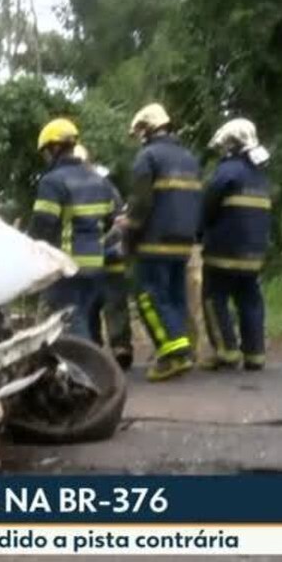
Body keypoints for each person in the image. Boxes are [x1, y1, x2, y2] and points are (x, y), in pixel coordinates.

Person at [121, 103, 203, 381]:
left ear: (147, 129)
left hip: (153, 241)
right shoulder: (189, 158)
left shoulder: (148, 156)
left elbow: (140, 203)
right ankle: (183, 349)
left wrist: (129, 231)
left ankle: (171, 355)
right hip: (184, 243)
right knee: (175, 298)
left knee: (148, 297)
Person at [28, 118, 115, 341]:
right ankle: (94, 360)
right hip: (96, 266)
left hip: (67, 266)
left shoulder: (52, 182)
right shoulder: (99, 181)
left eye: (45, 152)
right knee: (85, 320)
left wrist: (27, 247)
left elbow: (43, 225)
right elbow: (112, 220)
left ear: (54, 148)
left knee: (72, 328)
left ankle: (86, 363)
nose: (46, 158)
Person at [200, 118, 272, 372]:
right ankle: (255, 355)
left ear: (230, 145)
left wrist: (199, 234)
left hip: (224, 251)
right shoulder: (260, 175)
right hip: (254, 253)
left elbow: (207, 209)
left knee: (214, 298)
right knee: (250, 300)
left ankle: (227, 351)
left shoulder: (226, 171)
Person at [76, 145, 134, 368]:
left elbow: (119, 222)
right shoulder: (106, 186)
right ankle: (114, 348)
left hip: (95, 256)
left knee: (99, 304)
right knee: (109, 304)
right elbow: (119, 220)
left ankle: (107, 349)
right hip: (104, 255)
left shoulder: (70, 187)